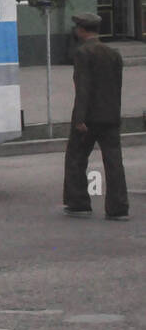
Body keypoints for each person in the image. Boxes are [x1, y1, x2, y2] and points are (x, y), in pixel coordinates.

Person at [63, 13, 129, 221]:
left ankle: (78, 203)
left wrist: (80, 118)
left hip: (89, 118)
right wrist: (115, 113)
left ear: (82, 30)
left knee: (76, 157)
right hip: (110, 116)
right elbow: (117, 86)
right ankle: (118, 208)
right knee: (114, 162)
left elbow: (83, 87)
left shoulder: (83, 53)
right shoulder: (113, 53)